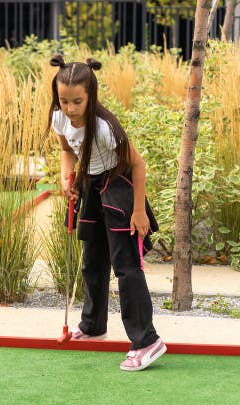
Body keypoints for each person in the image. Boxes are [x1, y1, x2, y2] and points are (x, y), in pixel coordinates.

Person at [47, 53, 166, 371]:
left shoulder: (104, 128)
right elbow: (65, 150)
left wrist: (138, 211)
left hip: (118, 188)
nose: (70, 108)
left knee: (126, 266)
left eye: (77, 101)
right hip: (90, 187)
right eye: (64, 100)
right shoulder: (59, 117)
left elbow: (138, 164)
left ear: (91, 96)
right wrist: (65, 178)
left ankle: (147, 341)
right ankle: (93, 325)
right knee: (92, 259)